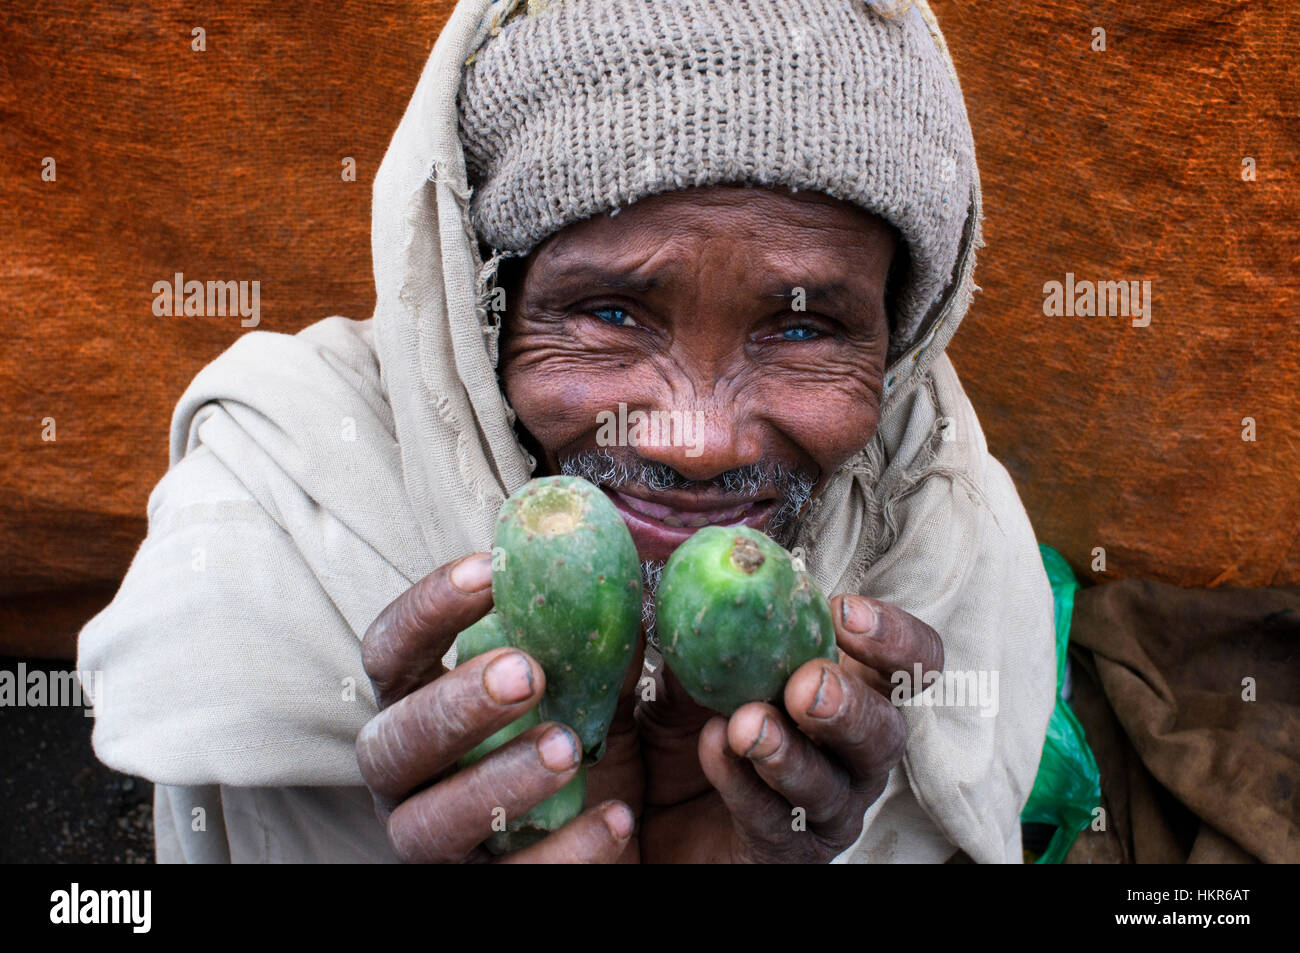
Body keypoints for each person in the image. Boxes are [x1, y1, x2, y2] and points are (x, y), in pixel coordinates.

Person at [78, 0, 1056, 863]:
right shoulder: (280, 500)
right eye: (611, 313)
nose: (697, 440)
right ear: (481, 306)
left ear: (899, 339)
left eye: (800, 325)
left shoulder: (942, 528)